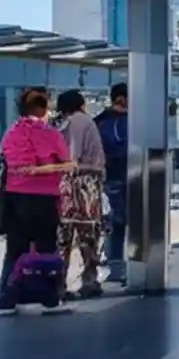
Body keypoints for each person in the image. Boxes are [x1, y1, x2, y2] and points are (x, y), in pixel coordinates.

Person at [0, 87, 73, 315]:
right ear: (42, 109)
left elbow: (9, 162)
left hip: (15, 197)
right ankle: (49, 299)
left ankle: (7, 298)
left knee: (15, 249)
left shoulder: (11, 133)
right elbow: (65, 162)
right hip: (44, 199)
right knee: (46, 248)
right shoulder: (50, 134)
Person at [54, 90, 107, 300]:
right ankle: (90, 279)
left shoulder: (66, 122)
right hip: (88, 185)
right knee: (89, 235)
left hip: (69, 184)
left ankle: (59, 285)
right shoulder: (86, 122)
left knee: (64, 236)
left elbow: (67, 155)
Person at [95, 82, 128, 285]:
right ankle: (129, 265)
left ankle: (116, 267)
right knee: (127, 223)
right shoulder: (132, 121)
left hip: (110, 179)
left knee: (115, 224)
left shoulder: (99, 121)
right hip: (127, 177)